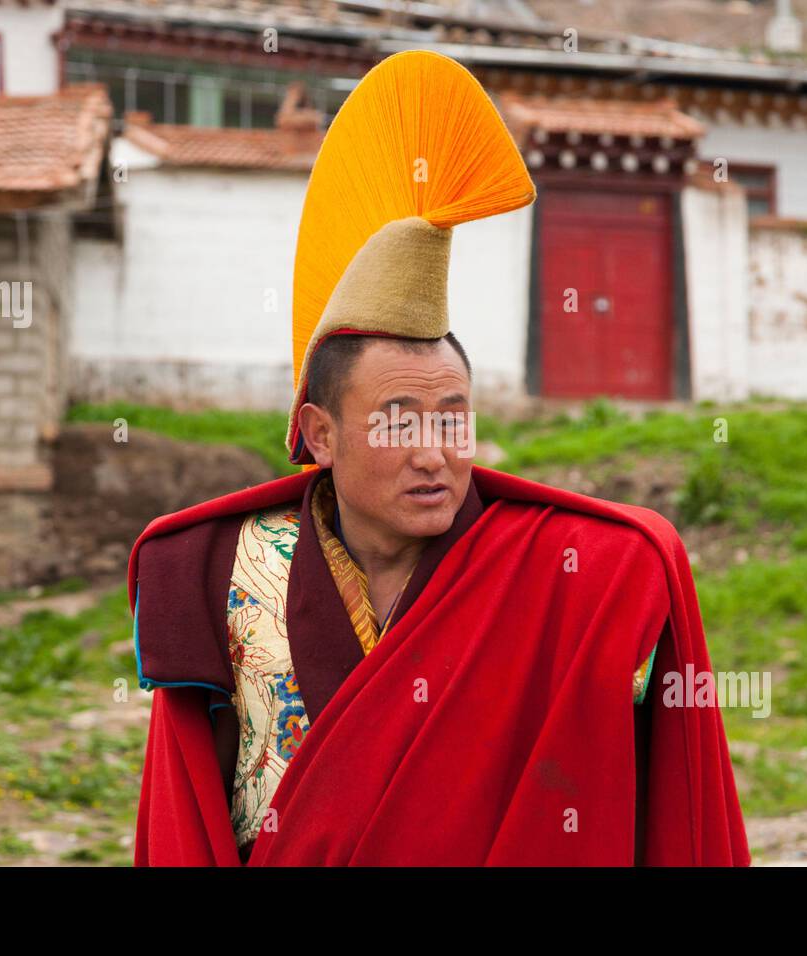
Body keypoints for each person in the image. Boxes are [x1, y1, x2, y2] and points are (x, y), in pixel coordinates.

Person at [129, 49, 750, 866]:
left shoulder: (562, 573)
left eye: (454, 419)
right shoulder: (224, 571)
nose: (435, 455)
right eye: (396, 421)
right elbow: (189, 822)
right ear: (319, 435)